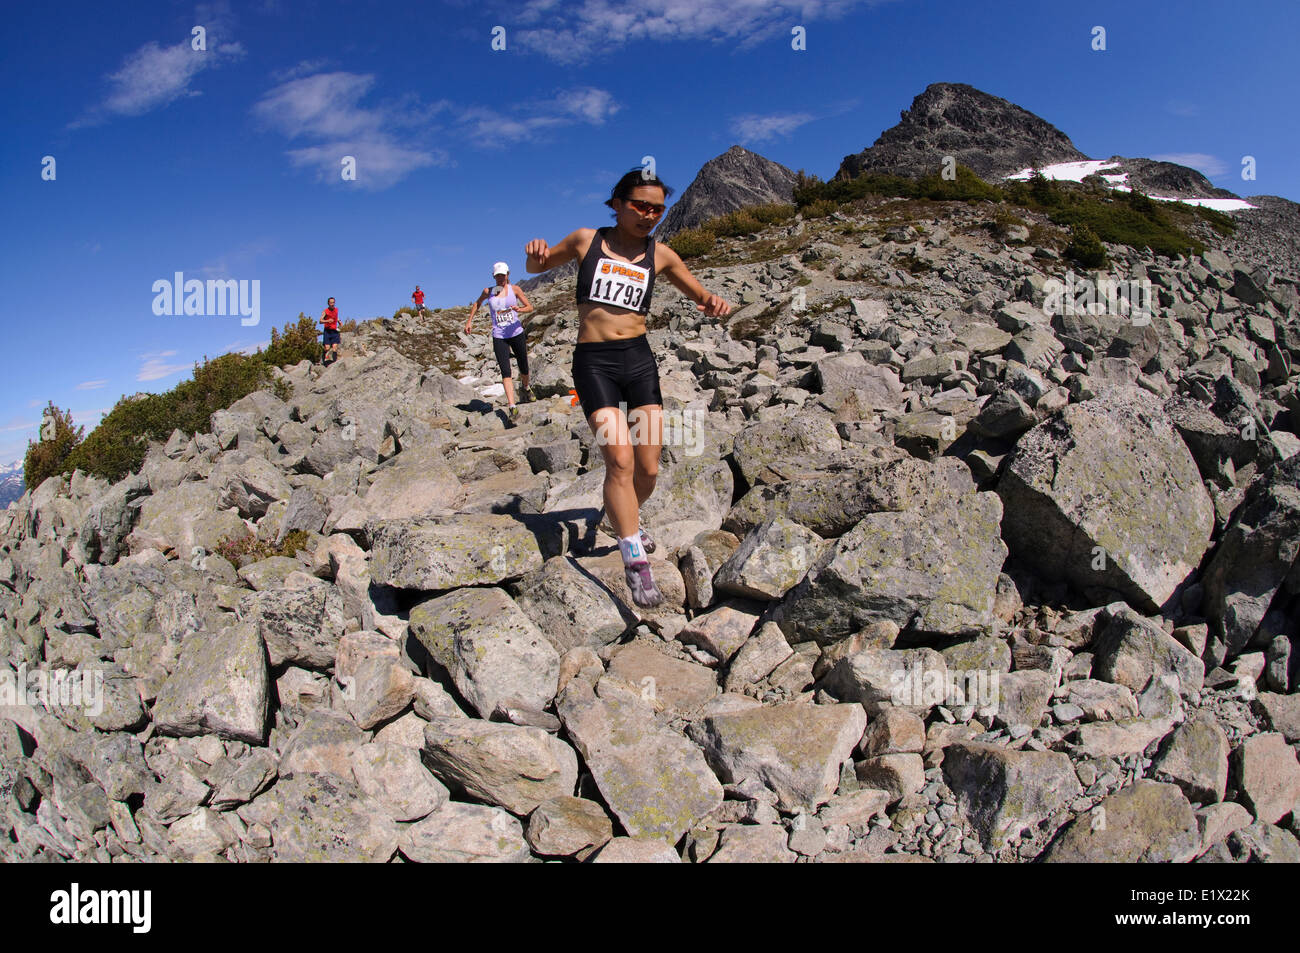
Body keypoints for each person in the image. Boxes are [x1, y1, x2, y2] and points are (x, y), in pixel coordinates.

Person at [524, 169, 731, 607]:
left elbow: (701, 295)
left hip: (638, 362)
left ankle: (623, 518)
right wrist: (536, 252)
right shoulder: (585, 241)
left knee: (648, 468)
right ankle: (634, 557)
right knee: (618, 459)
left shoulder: (661, 255)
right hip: (593, 364)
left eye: (657, 209)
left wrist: (713, 302)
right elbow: (537, 266)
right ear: (616, 204)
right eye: (640, 205)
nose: (649, 215)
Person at [465, 262, 535, 420]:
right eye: (498, 275)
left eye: (503, 275)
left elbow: (530, 307)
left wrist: (520, 309)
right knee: (506, 371)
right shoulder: (488, 291)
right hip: (499, 336)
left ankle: (525, 388)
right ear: (494, 276)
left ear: (508, 274)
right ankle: (512, 407)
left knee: (524, 365)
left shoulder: (514, 289)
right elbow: (477, 303)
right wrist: (469, 321)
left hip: (516, 332)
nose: (501, 278)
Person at [319, 296, 340, 366]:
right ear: (328, 303)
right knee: (327, 348)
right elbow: (320, 321)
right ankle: (323, 356)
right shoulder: (325, 311)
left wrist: (339, 321)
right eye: (331, 303)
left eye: (333, 302)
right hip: (327, 331)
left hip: (334, 331)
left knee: (335, 347)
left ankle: (334, 363)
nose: (332, 304)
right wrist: (327, 320)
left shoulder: (336, 310)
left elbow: (335, 316)